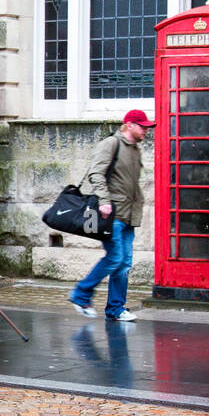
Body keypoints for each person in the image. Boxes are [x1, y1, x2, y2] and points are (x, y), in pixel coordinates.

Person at [70, 109, 154, 322]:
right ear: (129, 125)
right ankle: (81, 294)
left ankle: (115, 308)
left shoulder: (135, 149)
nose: (146, 130)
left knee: (124, 263)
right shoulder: (111, 144)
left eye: (147, 127)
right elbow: (95, 173)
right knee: (115, 258)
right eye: (142, 126)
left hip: (129, 215)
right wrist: (105, 202)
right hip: (112, 214)